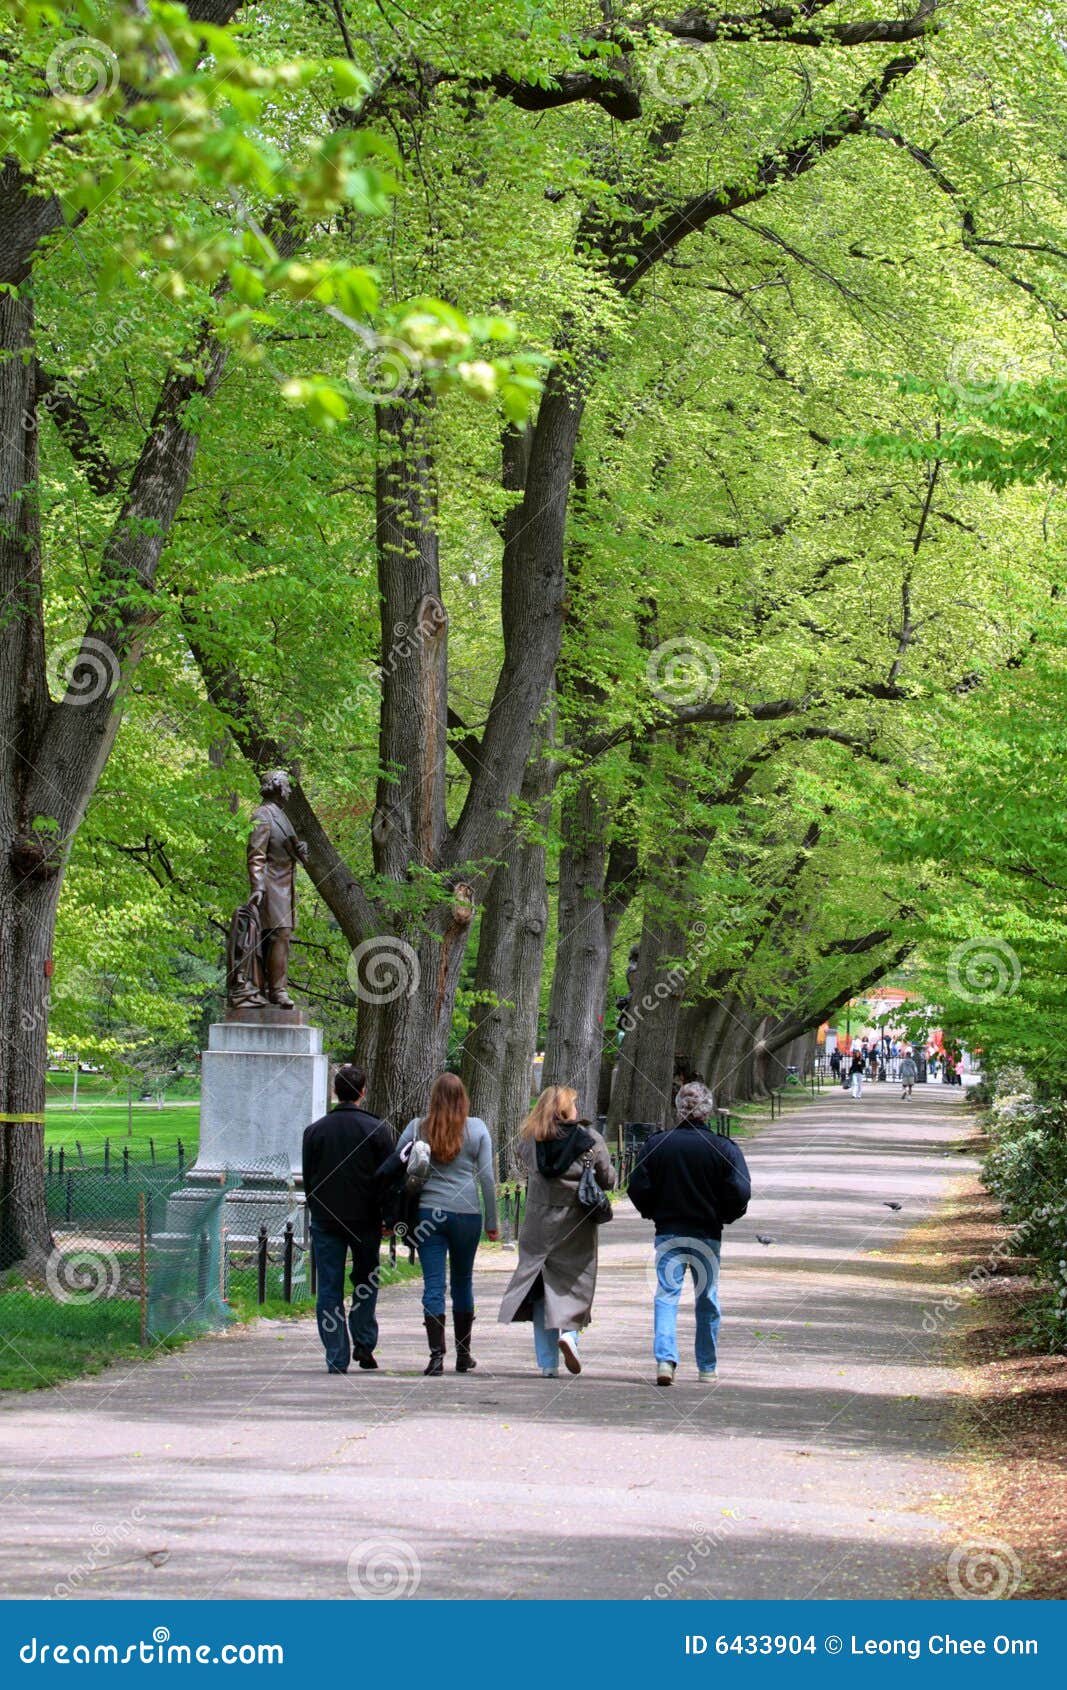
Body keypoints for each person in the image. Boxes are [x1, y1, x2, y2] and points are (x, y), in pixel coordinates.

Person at [627, 1081, 751, 1385]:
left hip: (669, 1231)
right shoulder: (723, 1148)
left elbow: (637, 1186)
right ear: (707, 1110)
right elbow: (741, 1191)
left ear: (678, 1107)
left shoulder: (657, 1145)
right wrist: (724, 1215)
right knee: (707, 1297)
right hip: (707, 1233)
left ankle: (665, 1360)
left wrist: (653, 1211)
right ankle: (707, 1365)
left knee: (667, 1295)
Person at [498, 1085, 615, 1378]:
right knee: (576, 1281)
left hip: (538, 1223)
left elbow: (524, 1161)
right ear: (566, 1110)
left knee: (539, 1289)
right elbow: (609, 1179)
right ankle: (570, 1335)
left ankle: (547, 1364)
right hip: (576, 1222)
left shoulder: (530, 1140)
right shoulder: (590, 1140)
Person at [397, 1074, 499, 1376]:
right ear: (463, 1098)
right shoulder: (478, 1128)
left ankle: (436, 1356)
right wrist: (492, 1221)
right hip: (467, 1213)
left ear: (434, 1097)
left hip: (429, 1212)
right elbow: (488, 1179)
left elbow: (397, 1163)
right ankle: (463, 1355)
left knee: (433, 1284)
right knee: (463, 1281)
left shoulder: (418, 1127)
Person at [302, 1063, 394, 1374]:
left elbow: (309, 1179)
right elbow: (388, 1180)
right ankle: (364, 1340)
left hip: (327, 1219)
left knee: (329, 1287)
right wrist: (389, 1217)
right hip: (365, 1218)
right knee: (366, 1281)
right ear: (362, 1092)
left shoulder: (314, 1132)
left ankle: (336, 1354)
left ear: (335, 1092)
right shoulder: (378, 1130)